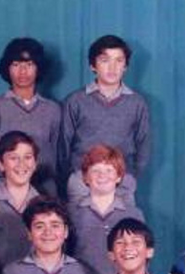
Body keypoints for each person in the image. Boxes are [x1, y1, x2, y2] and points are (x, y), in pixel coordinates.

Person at [0, 37, 60, 195]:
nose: (23, 71)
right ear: (7, 68)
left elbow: (58, 157)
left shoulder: (53, 110)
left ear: (38, 68)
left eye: (29, 65)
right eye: (16, 65)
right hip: (2, 188)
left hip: (44, 190)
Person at [62, 35, 151, 180]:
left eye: (119, 60)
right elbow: (63, 146)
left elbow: (143, 145)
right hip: (82, 181)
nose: (112, 67)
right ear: (92, 65)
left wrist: (129, 177)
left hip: (121, 181)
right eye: (105, 60)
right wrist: (74, 176)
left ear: (126, 66)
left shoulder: (137, 103)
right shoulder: (75, 101)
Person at [68, 144, 145, 274]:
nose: (102, 175)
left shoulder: (134, 215)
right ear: (85, 177)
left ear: (119, 177)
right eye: (96, 170)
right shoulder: (71, 213)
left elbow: (140, 259)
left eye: (109, 170)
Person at [0, 131, 46, 271]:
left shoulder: (47, 208)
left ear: (35, 163)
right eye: (13, 158)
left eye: (28, 157)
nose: (22, 164)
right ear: (1, 164)